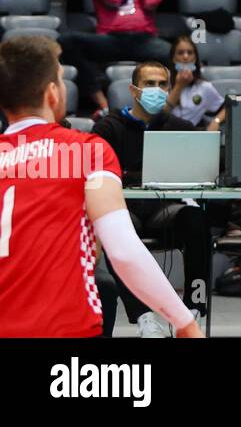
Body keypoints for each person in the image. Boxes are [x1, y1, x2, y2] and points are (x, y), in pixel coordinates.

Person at [0, 36, 201, 338]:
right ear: (53, 93)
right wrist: (184, 322)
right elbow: (122, 249)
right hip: (65, 330)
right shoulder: (85, 150)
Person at [91, 61, 218, 335]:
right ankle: (145, 317)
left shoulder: (180, 127)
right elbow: (95, 177)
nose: (157, 90)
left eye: (162, 85)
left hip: (166, 209)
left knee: (196, 221)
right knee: (118, 231)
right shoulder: (107, 128)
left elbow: (200, 175)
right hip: (127, 210)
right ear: (134, 90)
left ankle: (194, 308)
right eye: (150, 84)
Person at [58, 0, 172, 116]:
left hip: (144, 39)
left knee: (182, 56)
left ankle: (169, 108)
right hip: (111, 38)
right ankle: (102, 105)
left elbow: (152, 1)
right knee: (65, 42)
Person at [165, 34, 227, 127]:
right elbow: (159, 116)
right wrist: (179, 86)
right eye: (180, 53)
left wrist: (216, 121)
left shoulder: (204, 87)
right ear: (173, 58)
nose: (185, 57)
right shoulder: (162, 82)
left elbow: (228, 108)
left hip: (193, 136)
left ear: (195, 58)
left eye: (190, 53)